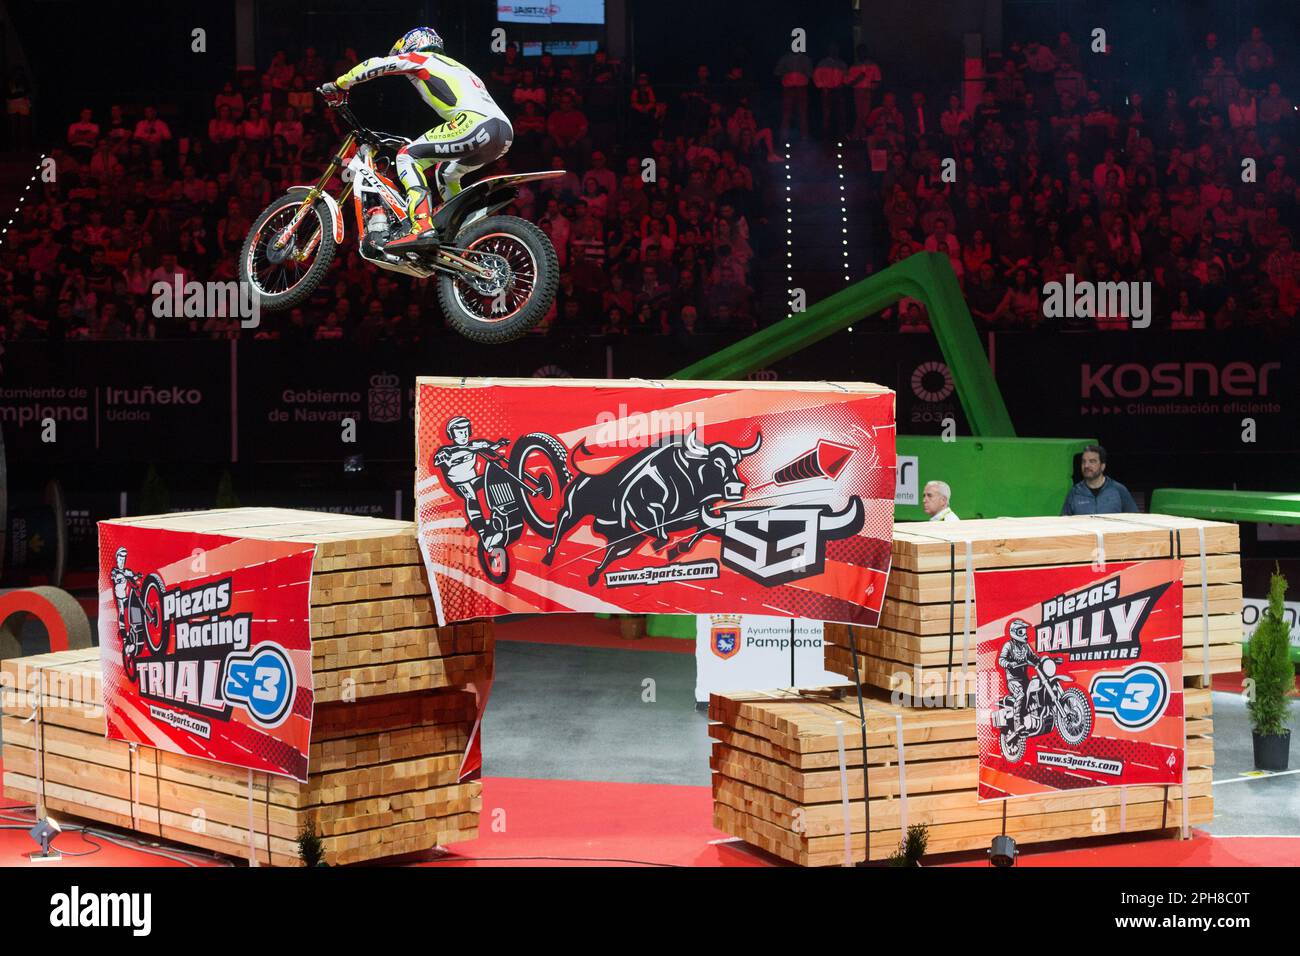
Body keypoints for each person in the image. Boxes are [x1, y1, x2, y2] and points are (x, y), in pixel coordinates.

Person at [321, 26, 513, 251]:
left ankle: (421, 226)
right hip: (503, 132)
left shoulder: (422, 59)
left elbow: (376, 64)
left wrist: (340, 84)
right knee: (446, 173)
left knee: (407, 157)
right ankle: (465, 229)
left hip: (474, 123)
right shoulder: (458, 67)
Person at [432, 416, 511, 549]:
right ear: (452, 435)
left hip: (473, 480)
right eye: (459, 432)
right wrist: (442, 457)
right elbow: (437, 460)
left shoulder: (475, 444)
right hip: (459, 483)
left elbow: (491, 447)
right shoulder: (447, 451)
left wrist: (500, 443)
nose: (463, 435)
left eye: (465, 431)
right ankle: (484, 534)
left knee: (494, 476)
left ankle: (501, 507)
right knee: (471, 495)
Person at [1060, 444, 1139, 515]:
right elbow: (1064, 523)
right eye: (1083, 461)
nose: (1086, 465)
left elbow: (1134, 518)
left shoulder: (1119, 490)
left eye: (1092, 461)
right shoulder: (1074, 493)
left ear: (1102, 466)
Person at [998, 618, 1043, 736]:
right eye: (1021, 632)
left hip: (1025, 679)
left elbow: (1034, 657)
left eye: (1024, 631)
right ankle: (1017, 723)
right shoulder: (1008, 645)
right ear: (1014, 632)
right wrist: (1009, 664)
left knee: (1037, 690)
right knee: (1021, 694)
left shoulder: (1025, 646)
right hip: (1013, 680)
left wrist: (1042, 661)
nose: (1024, 634)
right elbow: (1001, 660)